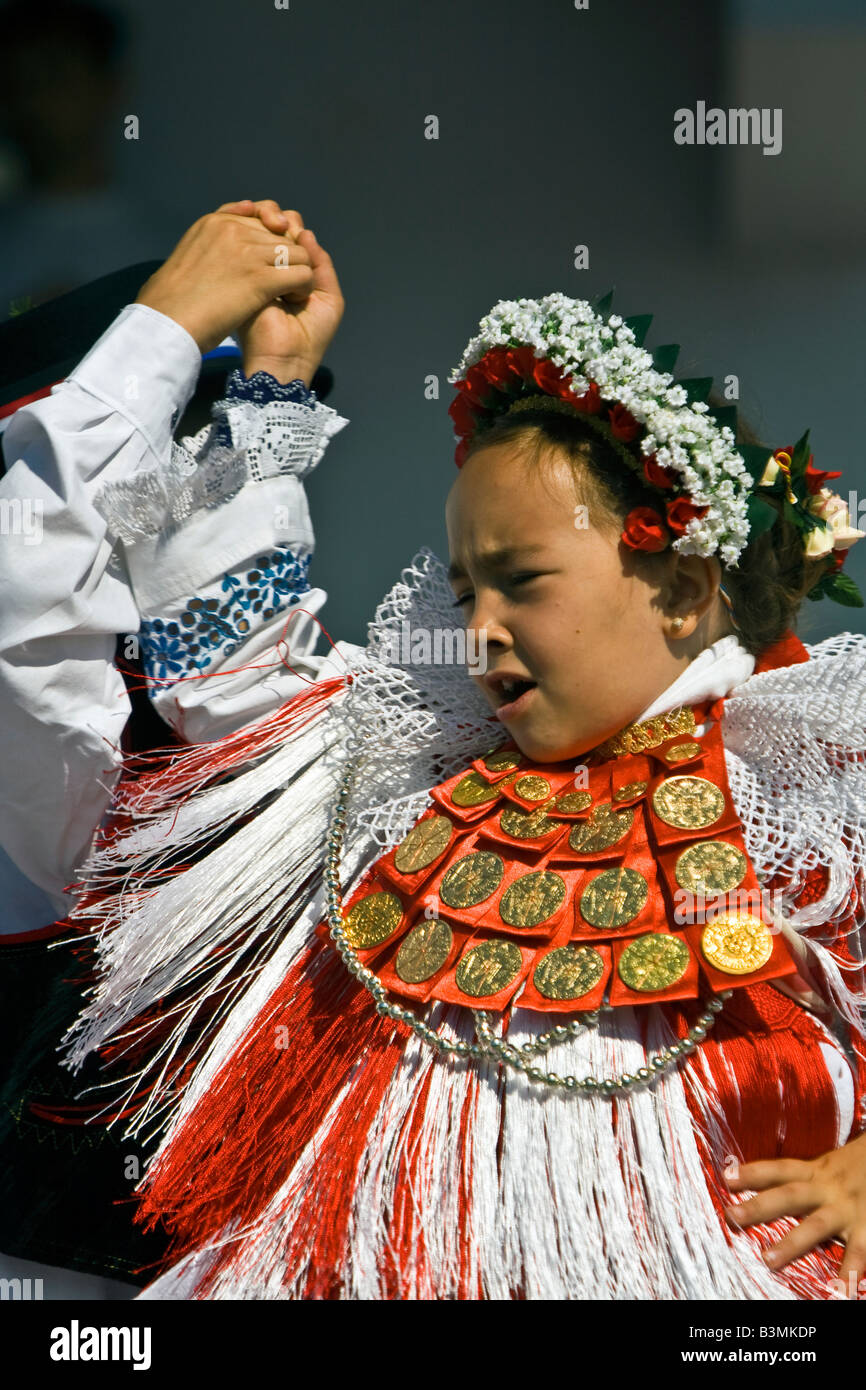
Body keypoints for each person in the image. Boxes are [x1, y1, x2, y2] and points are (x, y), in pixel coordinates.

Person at [1, 199, 865, 1301]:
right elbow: (231, 643)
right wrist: (268, 395)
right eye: (466, 589)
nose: (480, 627)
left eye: (524, 579)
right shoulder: (401, 768)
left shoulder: (803, 782)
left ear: (687, 590)